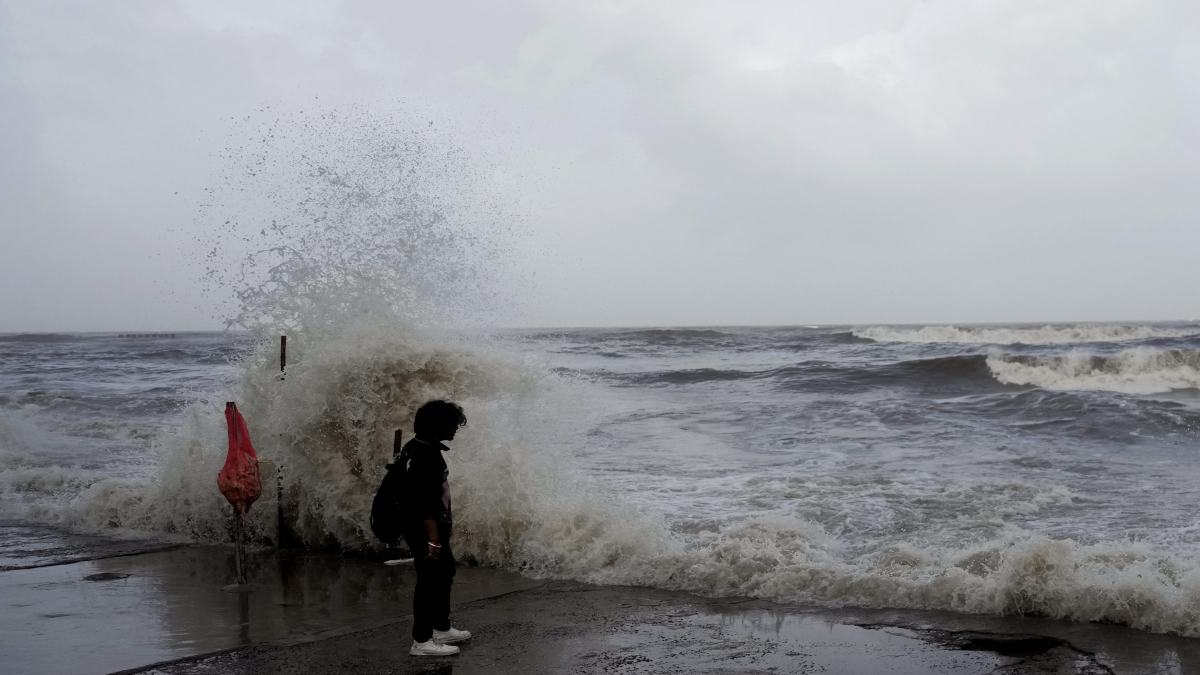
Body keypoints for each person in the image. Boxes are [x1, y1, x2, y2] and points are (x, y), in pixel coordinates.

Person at [403, 400, 471, 657]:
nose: (455, 429)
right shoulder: (426, 455)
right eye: (452, 424)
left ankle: (440, 627)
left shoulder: (418, 447)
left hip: (427, 526)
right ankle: (421, 641)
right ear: (437, 427)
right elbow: (424, 502)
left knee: (445, 572)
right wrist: (433, 538)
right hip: (424, 527)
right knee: (429, 580)